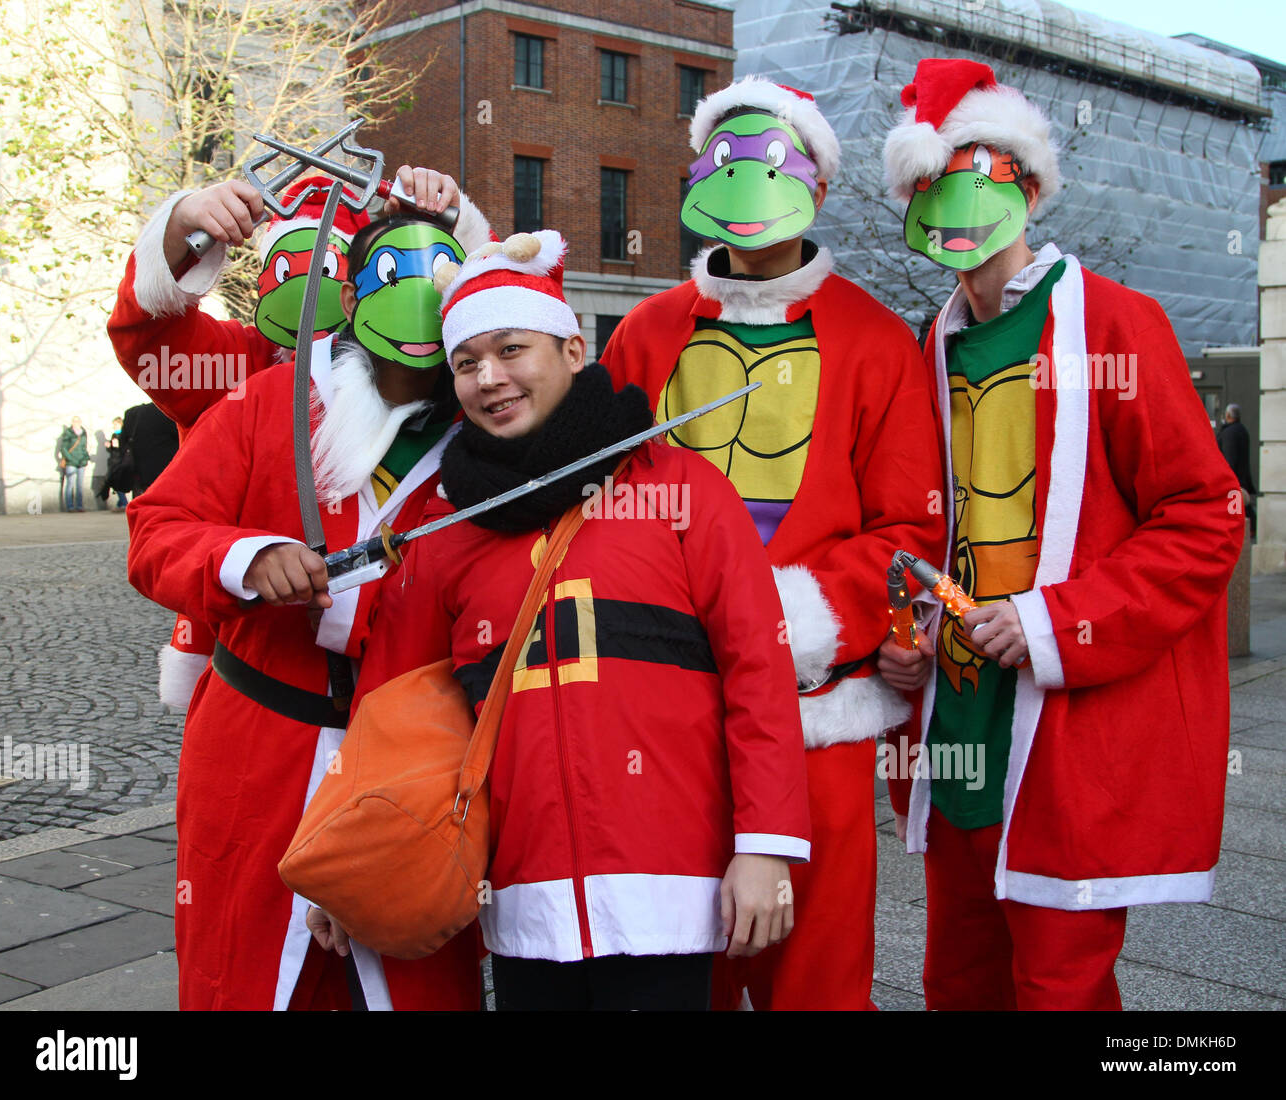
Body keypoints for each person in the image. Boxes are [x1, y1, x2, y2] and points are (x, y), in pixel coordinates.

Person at [338, 231, 812, 1011]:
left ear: (572, 345)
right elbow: (392, 709)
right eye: (466, 363)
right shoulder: (446, 525)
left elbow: (759, 670)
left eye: (511, 350)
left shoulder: (683, 487)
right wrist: (355, 861)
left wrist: (764, 847)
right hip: (523, 898)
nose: (490, 379)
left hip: (673, 890)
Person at [876, 57, 1244, 1010]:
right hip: (954, 715)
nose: (952, 205)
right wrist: (907, 630)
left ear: (1029, 186)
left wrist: (1053, 621)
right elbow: (925, 525)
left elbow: (1206, 519)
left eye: (974, 177)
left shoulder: (1118, 323)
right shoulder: (932, 338)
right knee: (956, 975)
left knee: (1059, 985)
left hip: (1062, 716)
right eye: (930, 188)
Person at [601, 77, 946, 1010]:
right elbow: (592, 496)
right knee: (677, 977)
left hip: (818, 715)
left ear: (818, 187)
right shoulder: (644, 331)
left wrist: (791, 618)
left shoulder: (877, 341)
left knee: (819, 982)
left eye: (773, 162)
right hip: (670, 715)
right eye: (727, 161)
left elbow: (913, 531)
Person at [125, 209, 485, 1011]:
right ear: (352, 293)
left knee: (411, 973)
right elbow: (157, 530)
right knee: (245, 969)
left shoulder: (489, 434)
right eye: (395, 276)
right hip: (257, 750)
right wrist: (245, 558)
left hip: (411, 764)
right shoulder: (268, 404)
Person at [108, 166, 491, 711]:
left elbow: (524, 325)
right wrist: (181, 228)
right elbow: (152, 343)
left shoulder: (477, 397)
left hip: (414, 729)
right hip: (264, 708)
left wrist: (459, 225)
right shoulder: (253, 378)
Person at [1217, 404, 1256, 539]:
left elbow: (1230, 458)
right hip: (1241, 478)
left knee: (1237, 510)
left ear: (1228, 416)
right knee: (1243, 508)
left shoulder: (1229, 433)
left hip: (1233, 481)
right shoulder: (1242, 430)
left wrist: (1226, 479)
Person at [57, 416, 90, 512]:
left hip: (81, 462)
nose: (77, 423)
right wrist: (70, 458)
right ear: (72, 422)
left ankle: (79, 506)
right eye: (75, 421)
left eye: (78, 421)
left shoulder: (83, 433)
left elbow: (84, 447)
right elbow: (64, 448)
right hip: (71, 462)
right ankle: (70, 507)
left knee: (79, 485)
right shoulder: (68, 433)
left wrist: (85, 458)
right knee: (70, 484)